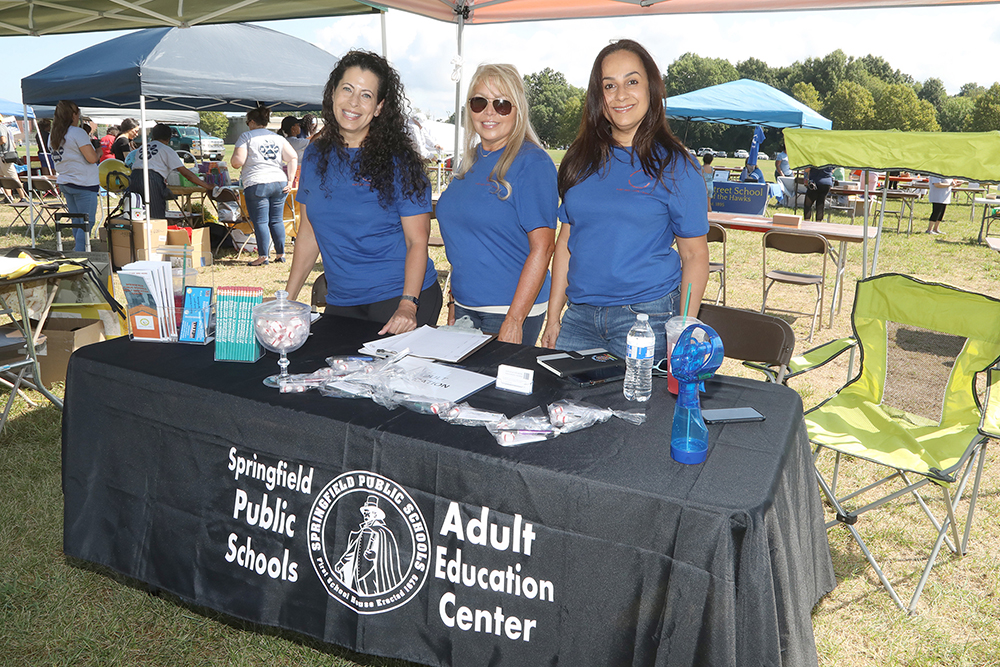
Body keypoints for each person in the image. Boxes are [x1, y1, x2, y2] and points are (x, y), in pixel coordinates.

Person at [540, 39, 709, 362]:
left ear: (652, 89)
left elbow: (695, 255)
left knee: (639, 411)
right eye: (609, 85)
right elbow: (566, 242)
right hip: (579, 317)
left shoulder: (675, 166)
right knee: (567, 409)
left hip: (647, 318)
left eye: (632, 81)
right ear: (598, 96)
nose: (620, 95)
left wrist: (681, 331)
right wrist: (553, 317)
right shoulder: (579, 160)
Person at [285, 50, 441, 335]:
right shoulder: (315, 155)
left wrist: (408, 304)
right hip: (342, 300)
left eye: (366, 95)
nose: (354, 102)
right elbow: (308, 232)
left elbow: (416, 241)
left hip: (399, 299)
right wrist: (287, 299)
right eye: (347, 89)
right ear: (332, 93)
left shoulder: (400, 160)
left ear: (379, 107)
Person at [435, 63, 557, 345]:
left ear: (518, 110)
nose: (489, 112)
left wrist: (514, 320)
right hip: (466, 307)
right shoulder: (470, 161)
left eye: (501, 104)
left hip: (508, 311)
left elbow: (544, 247)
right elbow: (465, 241)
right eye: (479, 102)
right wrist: (454, 302)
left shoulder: (533, 163)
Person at [231, 105, 297, 266]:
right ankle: (280, 254)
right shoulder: (278, 137)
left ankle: (263, 256)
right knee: (276, 220)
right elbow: (292, 157)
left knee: (260, 221)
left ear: (252, 122)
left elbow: (236, 162)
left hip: (257, 182)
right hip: (279, 181)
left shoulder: (246, 136)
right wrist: (290, 180)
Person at [48, 100, 99, 251]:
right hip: (83, 183)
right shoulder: (77, 132)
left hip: (66, 181)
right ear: (74, 115)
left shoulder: (53, 135)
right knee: (86, 222)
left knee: (77, 220)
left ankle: (78, 247)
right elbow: (91, 158)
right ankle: (80, 251)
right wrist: (99, 152)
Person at [131, 123, 210, 218]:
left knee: (136, 213)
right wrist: (207, 186)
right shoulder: (166, 149)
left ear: (153, 136)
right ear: (168, 139)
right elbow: (186, 173)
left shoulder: (141, 148)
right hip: (151, 179)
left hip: (134, 177)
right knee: (155, 215)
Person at [277, 116, 310, 186]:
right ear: (293, 128)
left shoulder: (283, 140)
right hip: (296, 173)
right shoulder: (296, 142)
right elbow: (313, 141)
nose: (300, 127)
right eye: (298, 125)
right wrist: (321, 132)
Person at [0, 121, 27, 202]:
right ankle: (8, 197)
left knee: (13, 177)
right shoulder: (5, 127)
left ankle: (23, 198)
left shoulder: (1, 127)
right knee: (2, 177)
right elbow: (13, 145)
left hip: (4, 156)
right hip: (3, 156)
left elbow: (3, 140)